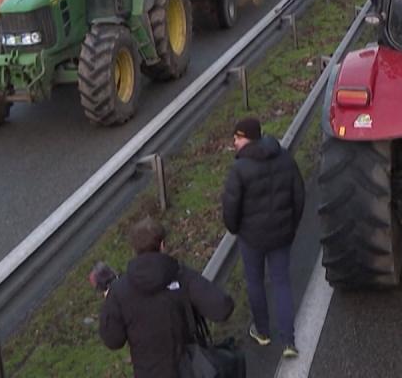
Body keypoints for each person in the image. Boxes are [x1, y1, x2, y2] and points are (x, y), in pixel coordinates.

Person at [99, 217, 235, 377]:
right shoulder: (182, 276)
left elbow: (113, 340)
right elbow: (222, 308)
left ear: (134, 250)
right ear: (163, 245)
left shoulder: (119, 290)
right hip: (185, 371)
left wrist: (109, 305)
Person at [221, 117, 305, 356]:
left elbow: (230, 208)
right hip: (281, 235)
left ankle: (263, 331)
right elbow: (298, 194)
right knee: (281, 282)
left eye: (237, 138)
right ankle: (288, 340)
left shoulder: (239, 169)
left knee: (255, 282)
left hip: (252, 239)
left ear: (247, 138)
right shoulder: (284, 157)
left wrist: (236, 229)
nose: (234, 143)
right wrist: (292, 225)